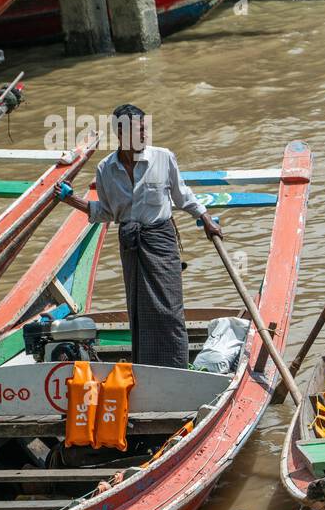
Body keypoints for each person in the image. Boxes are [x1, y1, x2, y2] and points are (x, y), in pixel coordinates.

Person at [57, 104, 220, 368]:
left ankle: (176, 369)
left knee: (169, 309)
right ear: (121, 133)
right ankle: (147, 369)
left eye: (145, 128)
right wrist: (72, 200)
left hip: (160, 239)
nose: (144, 134)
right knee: (140, 312)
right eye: (138, 130)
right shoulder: (106, 169)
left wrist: (205, 218)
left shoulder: (163, 158)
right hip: (131, 244)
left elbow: (182, 196)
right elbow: (107, 212)